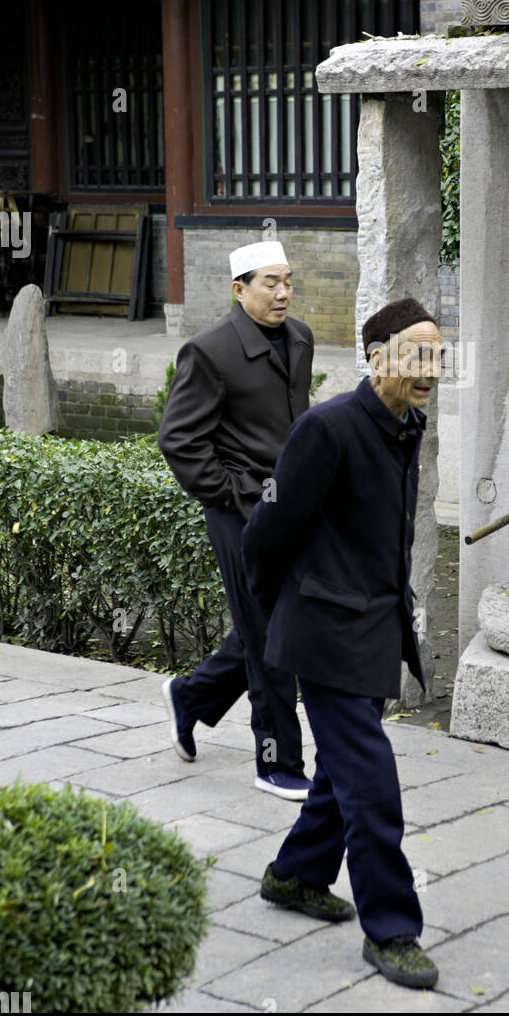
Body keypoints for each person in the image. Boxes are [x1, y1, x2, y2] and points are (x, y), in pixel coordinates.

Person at [241, 297, 442, 990]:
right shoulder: (326, 428)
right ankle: (392, 930)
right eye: (419, 355)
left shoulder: (404, 425)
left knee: (341, 773)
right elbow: (265, 536)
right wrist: (283, 613)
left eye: (439, 357)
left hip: (374, 629)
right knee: (371, 785)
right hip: (326, 635)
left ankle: (295, 875)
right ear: (378, 356)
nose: (432, 371)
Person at [157, 239, 313, 801]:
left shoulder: (300, 339)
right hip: (237, 512)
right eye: (270, 282)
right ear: (239, 288)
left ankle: (193, 698)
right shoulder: (209, 351)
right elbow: (178, 439)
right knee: (271, 634)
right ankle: (276, 760)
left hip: (289, 506)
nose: (283, 292)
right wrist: (224, 496)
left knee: (275, 620)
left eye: (288, 280)